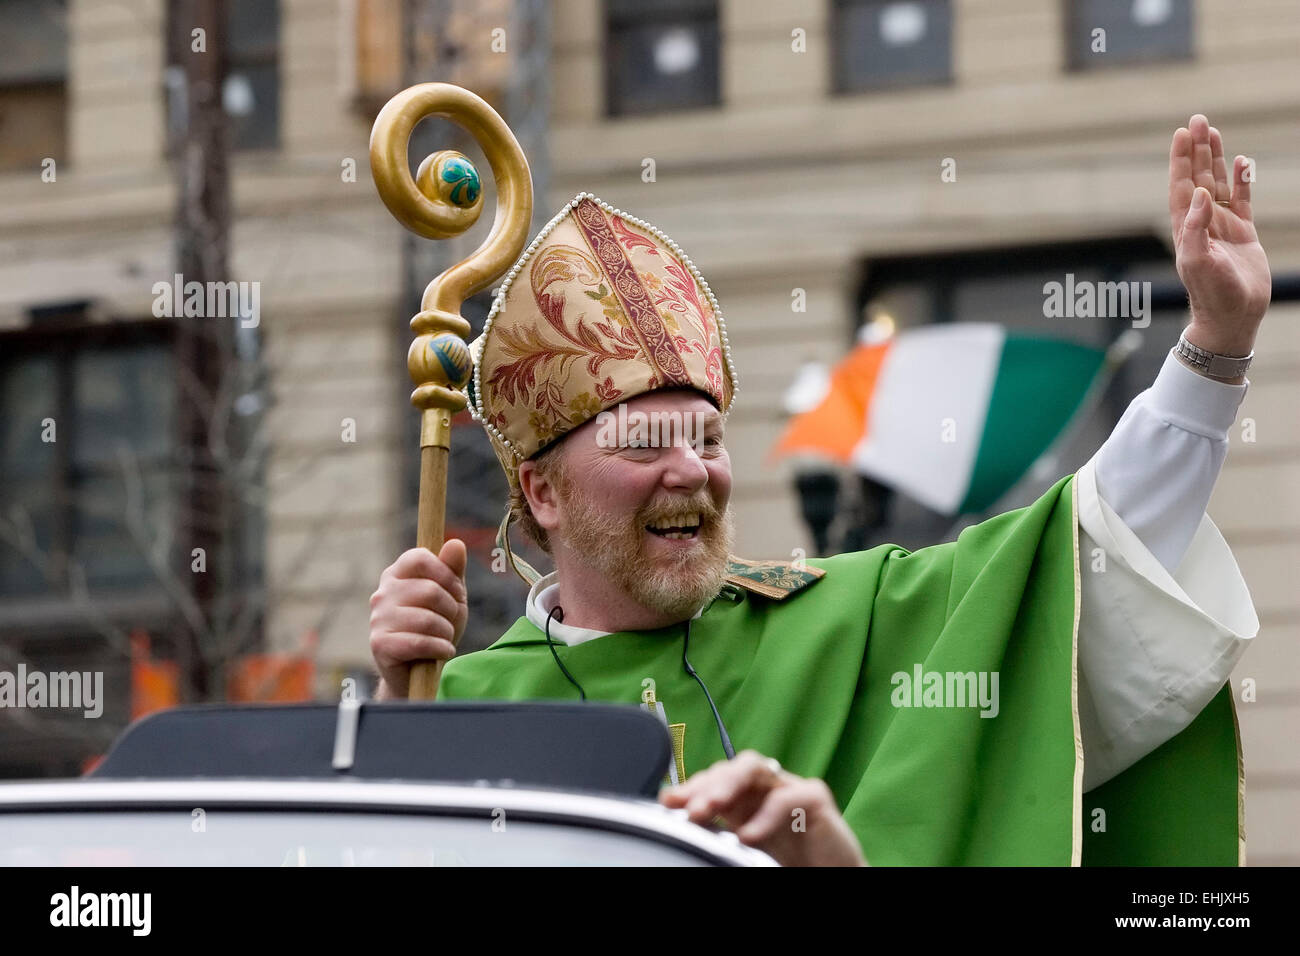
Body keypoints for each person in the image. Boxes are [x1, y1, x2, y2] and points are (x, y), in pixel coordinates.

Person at [368, 115, 1268, 866]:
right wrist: (390, 722)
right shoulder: (462, 708)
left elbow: (1085, 558)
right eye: (648, 442)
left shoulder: (854, 617)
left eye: (709, 437)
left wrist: (1213, 354)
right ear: (544, 491)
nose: (692, 469)